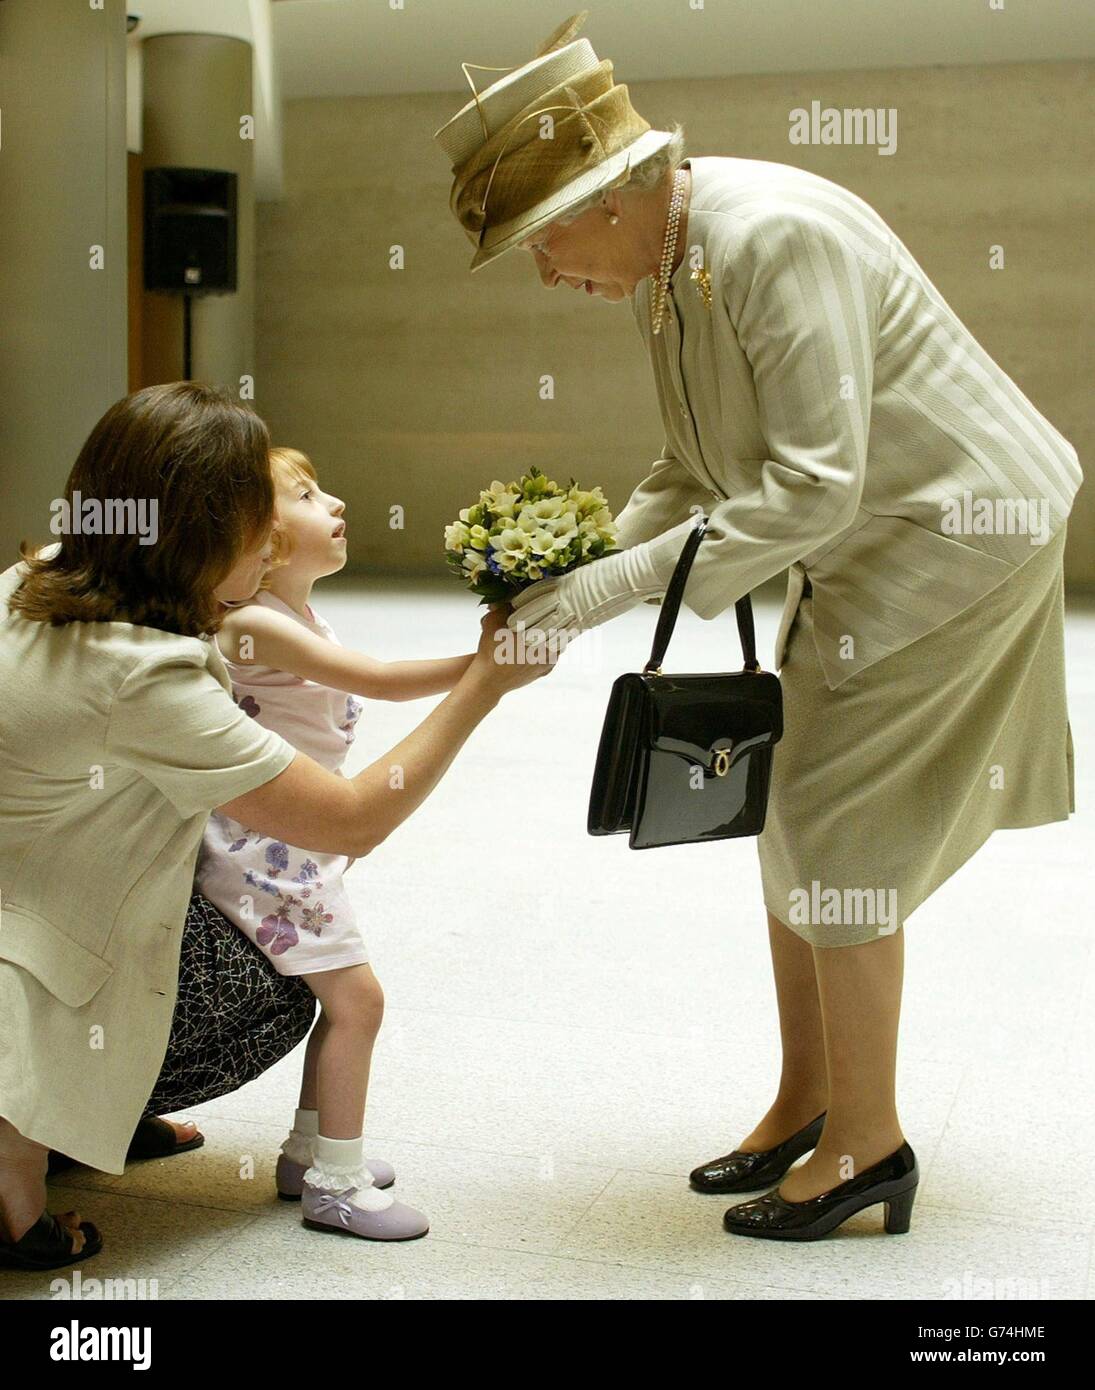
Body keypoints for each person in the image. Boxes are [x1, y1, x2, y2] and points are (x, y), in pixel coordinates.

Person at [433, 13, 1081, 1239]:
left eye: (540, 238)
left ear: (610, 191)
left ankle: (868, 1143)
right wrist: (577, 570)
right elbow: (691, 465)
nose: (544, 271)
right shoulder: (668, 258)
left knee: (840, 826)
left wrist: (604, 593)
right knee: (789, 806)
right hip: (869, 536)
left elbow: (811, 484)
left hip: (954, 539)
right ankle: (807, 1097)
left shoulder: (768, 236)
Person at [0, 382, 555, 1270]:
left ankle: (84, 1116)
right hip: (28, 957)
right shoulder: (144, 675)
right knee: (291, 971)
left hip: (33, 898)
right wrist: (486, 682)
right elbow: (351, 820)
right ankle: (40, 1144)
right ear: (198, 532)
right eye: (257, 526)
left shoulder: (44, 576)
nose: (269, 549)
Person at [196, 445, 484, 1241]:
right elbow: (382, 680)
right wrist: (492, 662)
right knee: (359, 1001)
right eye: (307, 494)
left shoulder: (295, 615)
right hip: (263, 847)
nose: (335, 502)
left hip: (290, 839)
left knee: (340, 1000)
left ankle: (309, 1152)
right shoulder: (252, 623)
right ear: (258, 533)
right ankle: (337, 1184)